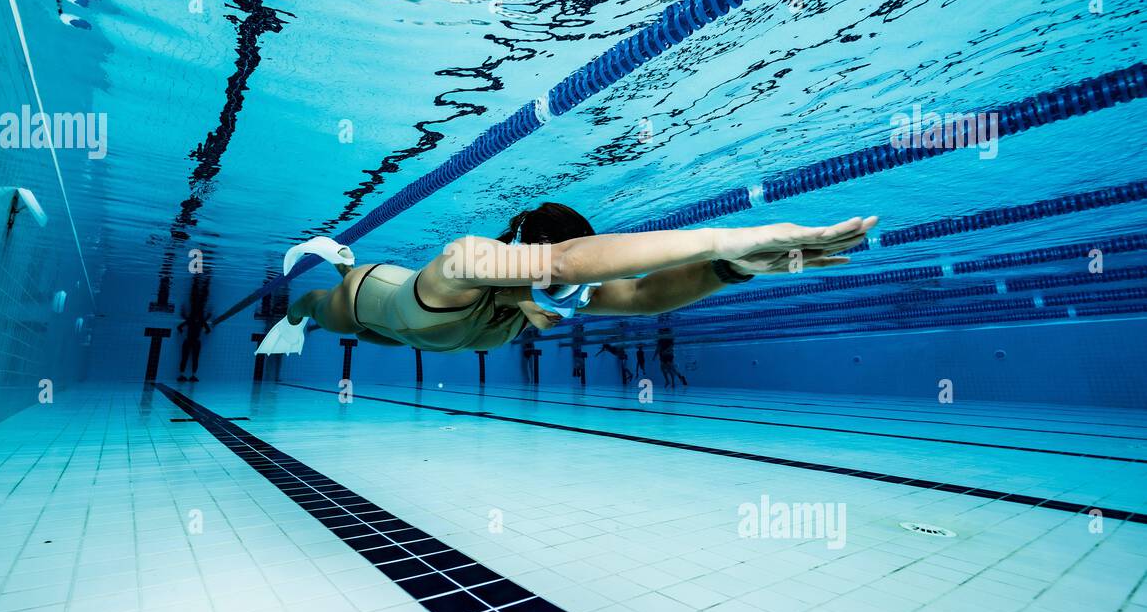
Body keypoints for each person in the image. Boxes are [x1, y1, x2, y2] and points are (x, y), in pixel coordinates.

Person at [256, 202, 877, 357]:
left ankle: (341, 255)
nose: (578, 300)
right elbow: (561, 265)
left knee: (389, 338)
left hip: (412, 332)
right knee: (316, 305)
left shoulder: (553, 290)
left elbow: (638, 294)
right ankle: (328, 270)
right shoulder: (465, 263)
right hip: (370, 297)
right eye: (563, 282)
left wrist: (728, 269)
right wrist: (722, 237)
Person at [177, 276, 212, 381]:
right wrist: (206, 319)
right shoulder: (199, 320)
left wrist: (183, 331)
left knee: (187, 358)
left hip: (190, 340)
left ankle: (185, 374)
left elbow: (179, 327)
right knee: (193, 358)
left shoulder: (192, 319)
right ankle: (190, 375)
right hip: (195, 341)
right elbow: (208, 330)